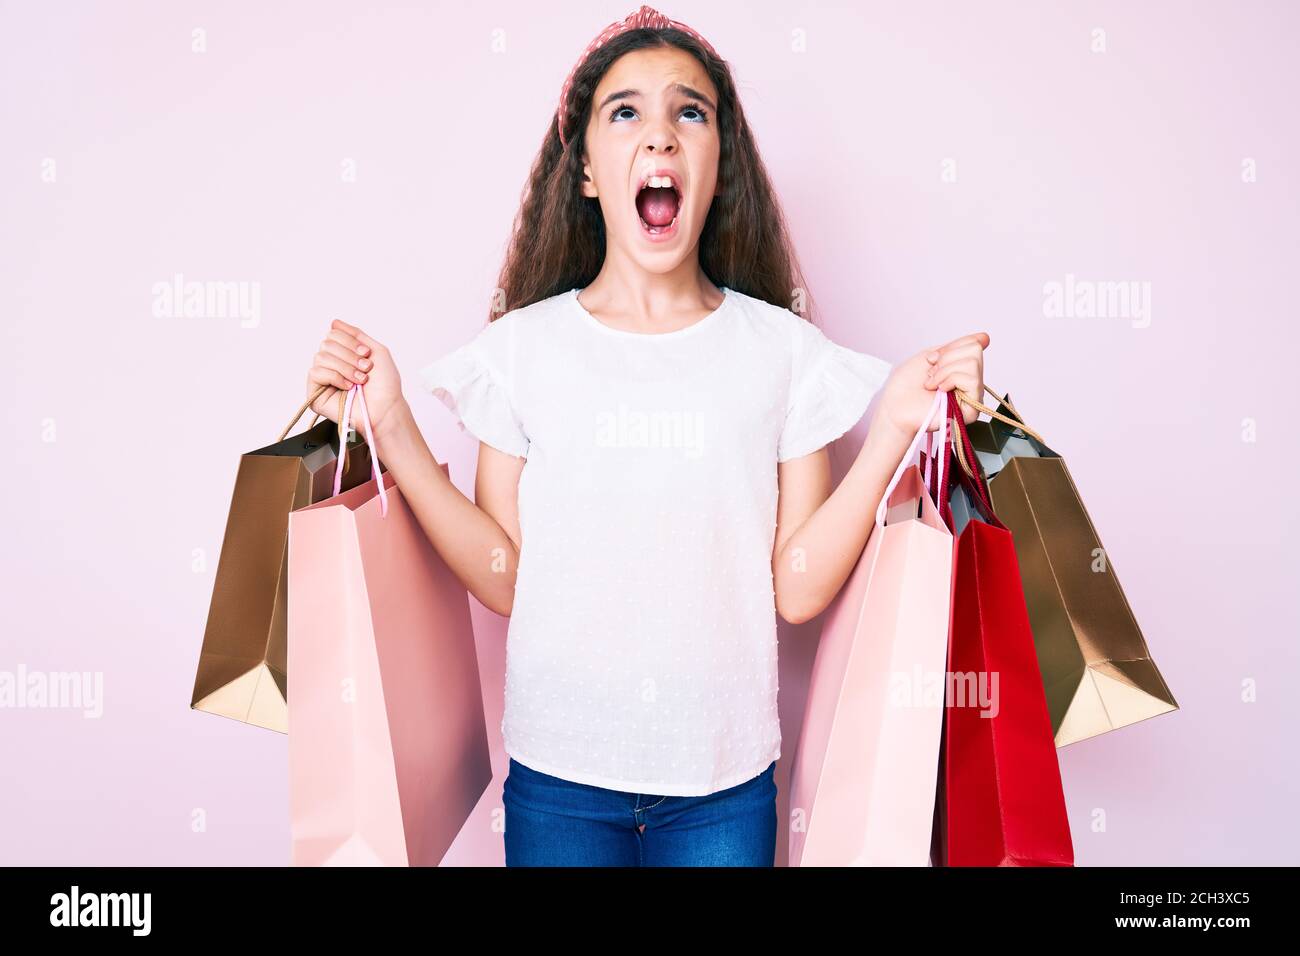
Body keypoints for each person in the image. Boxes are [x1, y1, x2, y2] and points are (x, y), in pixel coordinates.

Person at [301, 5, 988, 867]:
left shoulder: (782, 353)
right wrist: (392, 424)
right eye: (624, 112)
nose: (658, 136)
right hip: (558, 779)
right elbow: (506, 577)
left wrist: (891, 424)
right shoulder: (524, 350)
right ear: (587, 169)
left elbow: (798, 588)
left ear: (716, 166)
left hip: (724, 788)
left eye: (688, 113)